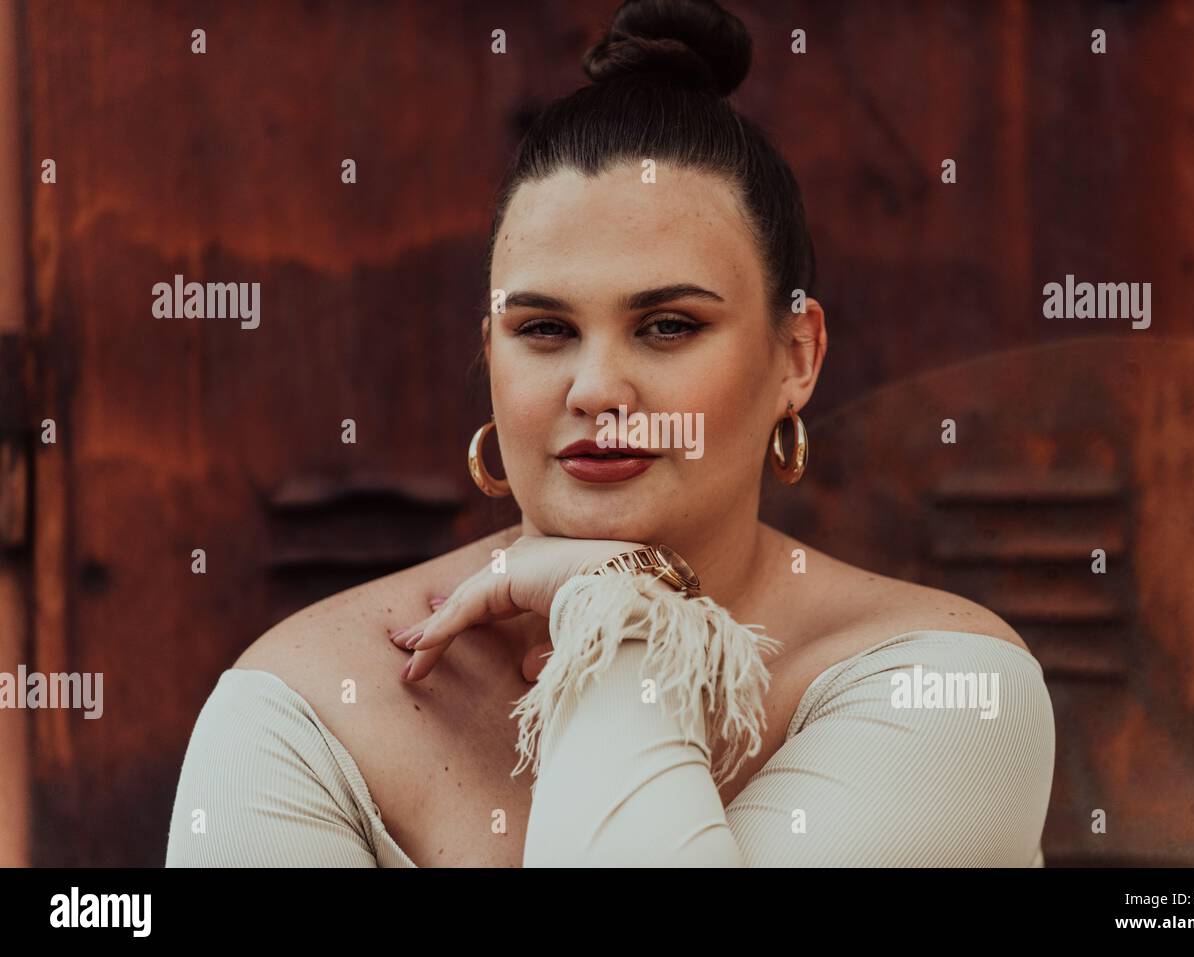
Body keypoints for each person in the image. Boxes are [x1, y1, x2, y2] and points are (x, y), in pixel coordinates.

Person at [165, 0, 1054, 868]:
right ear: (491, 353)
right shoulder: (298, 711)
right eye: (544, 330)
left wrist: (616, 613)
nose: (594, 389)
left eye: (667, 326)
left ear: (796, 355)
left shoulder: (950, 688)